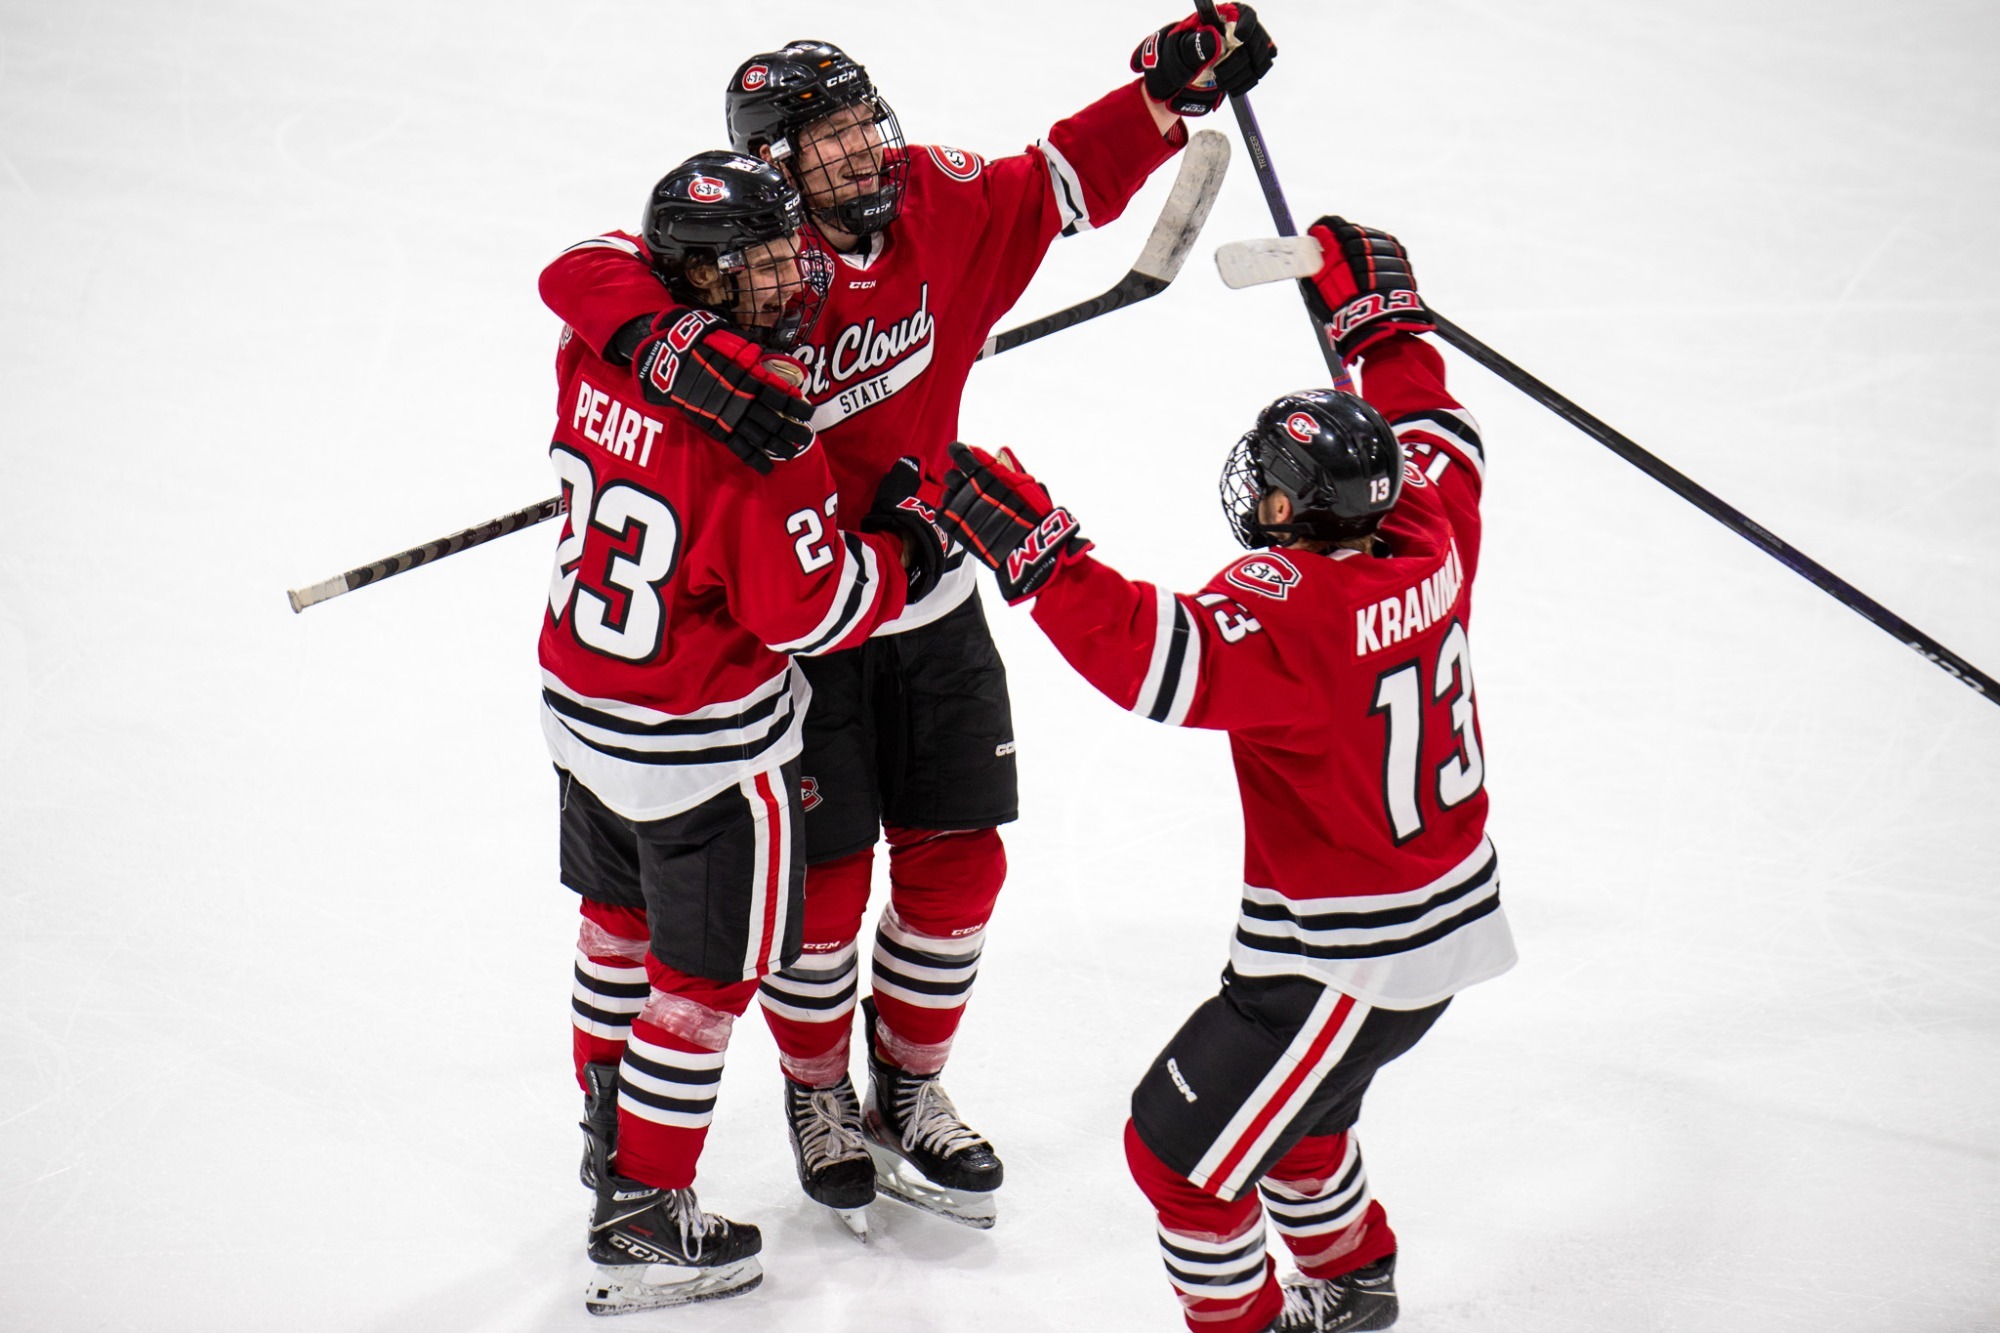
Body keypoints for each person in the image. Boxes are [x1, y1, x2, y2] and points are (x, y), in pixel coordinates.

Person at [537, 10, 1278, 1231]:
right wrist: (671, 346)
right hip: (800, 625)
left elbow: (1052, 180)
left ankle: (913, 1087)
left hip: (926, 598)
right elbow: (582, 267)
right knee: (820, 897)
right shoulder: (746, 259)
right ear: (770, 168)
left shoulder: (933, 201)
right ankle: (819, 1092)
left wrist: (1162, 96)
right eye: (822, 138)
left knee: (961, 865)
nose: (857, 153)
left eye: (857, 123)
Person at [936, 218, 1517, 1332]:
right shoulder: (1429, 525)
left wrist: (1039, 550)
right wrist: (1381, 317)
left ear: (1303, 510)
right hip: (1419, 924)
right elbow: (1434, 422)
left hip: (1349, 955)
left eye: (1275, 484)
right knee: (1296, 1127)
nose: (1256, 496)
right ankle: (1351, 1282)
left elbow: (1150, 661)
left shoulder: (1299, 613)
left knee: (1177, 1155)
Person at [542, 151, 942, 1313]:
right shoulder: (766, 428)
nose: (786, 274)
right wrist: (911, 549)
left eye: (785, 249)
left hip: (581, 715)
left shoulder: (595, 348)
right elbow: (804, 610)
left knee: (613, 931)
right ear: (696, 276)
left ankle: (608, 1134)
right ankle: (643, 1213)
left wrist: (668, 351)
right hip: (703, 748)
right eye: (755, 260)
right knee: (701, 984)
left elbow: (580, 269)